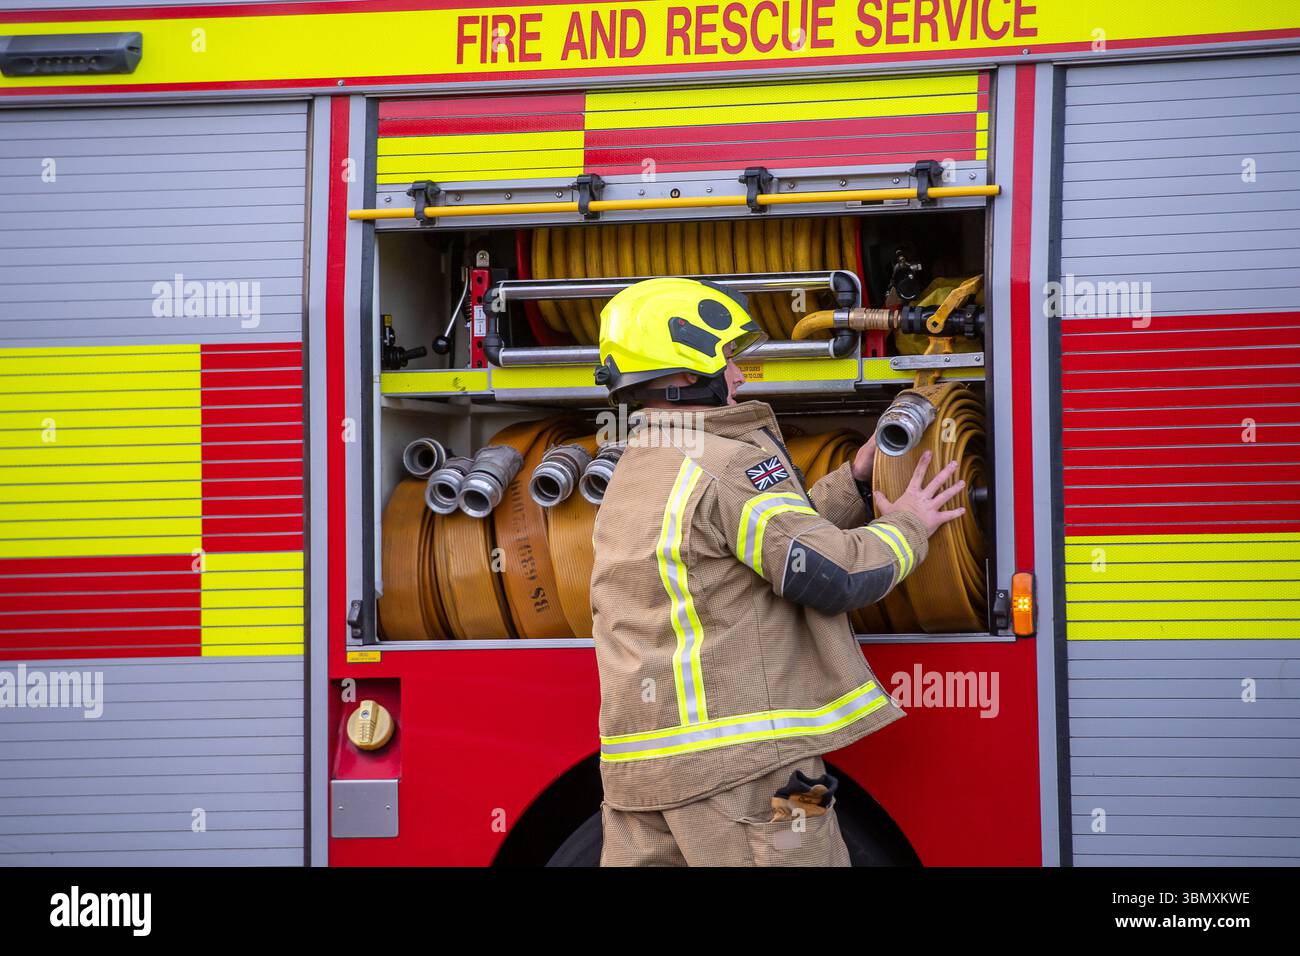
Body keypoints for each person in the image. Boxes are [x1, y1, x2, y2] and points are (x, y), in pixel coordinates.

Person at [590, 276, 965, 866]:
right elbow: (833, 575)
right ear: (688, 375)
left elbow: (755, 547)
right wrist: (911, 525)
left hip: (638, 780)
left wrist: (855, 483)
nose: (740, 376)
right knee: (803, 853)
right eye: (729, 360)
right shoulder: (729, 461)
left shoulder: (636, 466)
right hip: (759, 775)